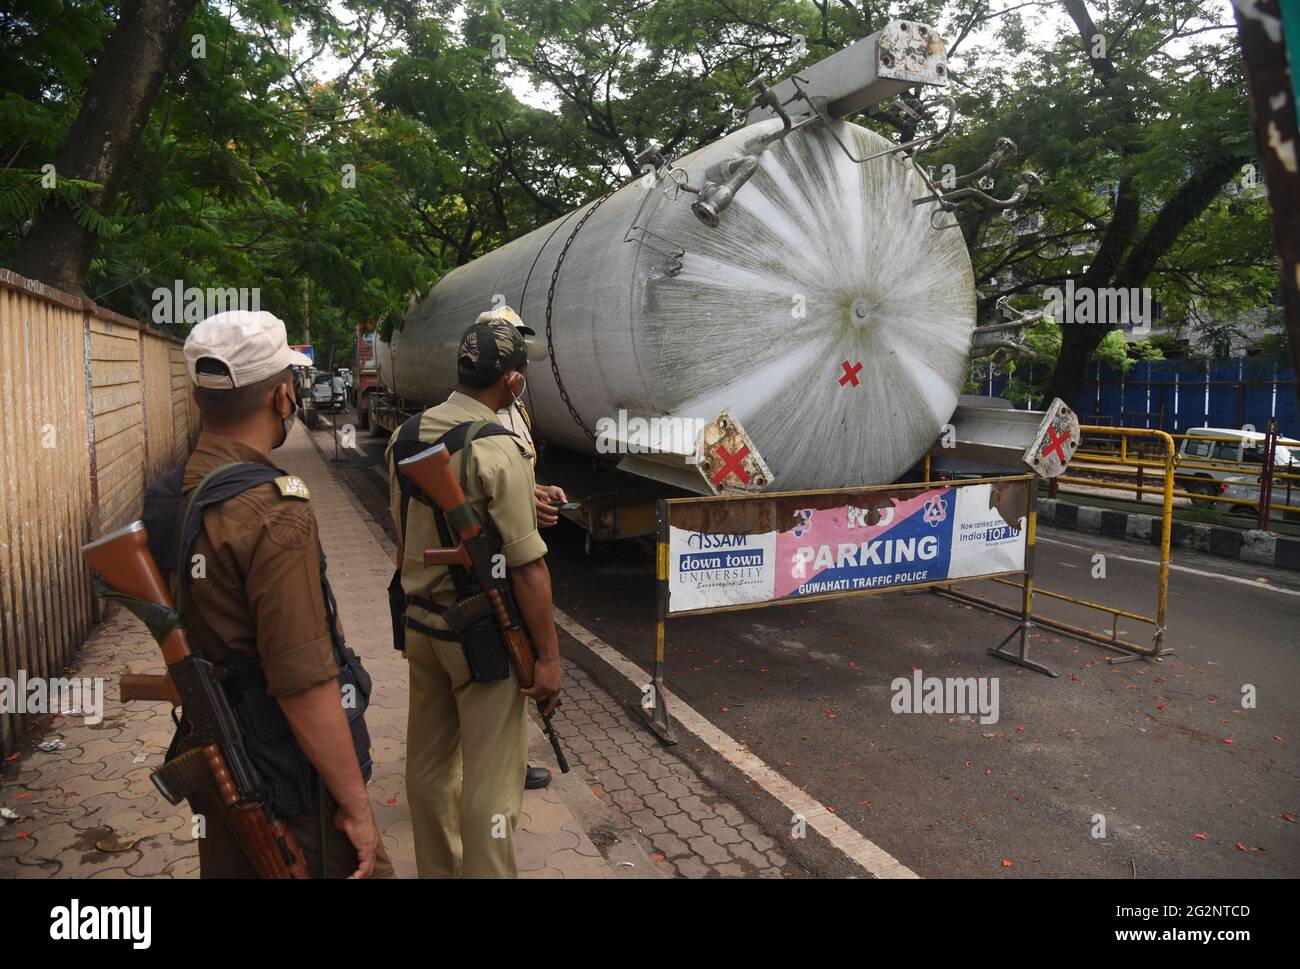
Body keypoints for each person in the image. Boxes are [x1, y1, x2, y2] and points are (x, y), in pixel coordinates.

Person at [145, 310, 390, 879]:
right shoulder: (275, 512)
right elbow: (303, 682)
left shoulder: (167, 496)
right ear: (283, 398)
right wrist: (356, 809)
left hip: (219, 761)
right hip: (286, 777)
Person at [387, 315, 562, 878]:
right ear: (511, 383)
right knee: (492, 784)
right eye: (520, 373)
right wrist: (550, 659)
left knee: (430, 770)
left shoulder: (406, 435)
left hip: (420, 626)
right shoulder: (499, 445)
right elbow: (528, 568)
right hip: (484, 636)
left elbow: (402, 536)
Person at [477, 307, 568, 792]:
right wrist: (521, 503)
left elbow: (520, 473)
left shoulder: (518, 409)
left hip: (521, 537)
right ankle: (499, 768)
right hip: (501, 556)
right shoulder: (477, 415)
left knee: (519, 654)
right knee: (512, 655)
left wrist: (541, 491)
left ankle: (510, 758)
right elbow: (483, 490)